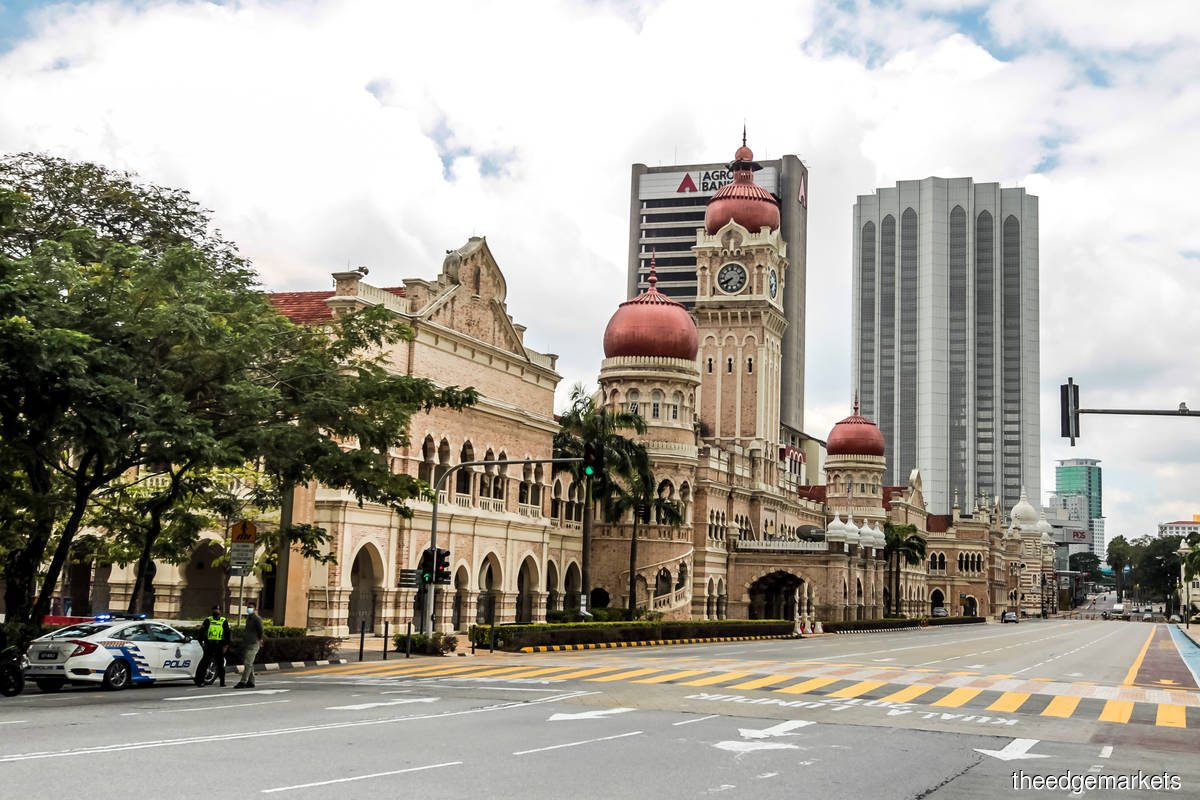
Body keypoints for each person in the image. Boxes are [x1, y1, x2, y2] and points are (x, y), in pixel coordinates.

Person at [196, 604, 230, 687]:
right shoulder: (208, 620)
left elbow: (228, 634)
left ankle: (222, 681)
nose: (216, 611)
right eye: (215, 610)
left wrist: (226, 645)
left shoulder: (223, 621)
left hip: (219, 645)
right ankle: (200, 681)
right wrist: (201, 642)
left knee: (220, 663)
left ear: (220, 611)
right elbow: (201, 632)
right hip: (209, 645)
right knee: (205, 663)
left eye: (218, 610)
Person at [233, 603, 264, 689]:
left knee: (247, 662)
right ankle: (251, 681)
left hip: (254, 643)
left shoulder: (257, 619)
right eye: (248, 607)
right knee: (249, 663)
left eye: (251, 608)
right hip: (247, 643)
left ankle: (243, 681)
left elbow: (261, 630)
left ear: (255, 609)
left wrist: (260, 639)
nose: (249, 609)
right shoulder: (248, 619)